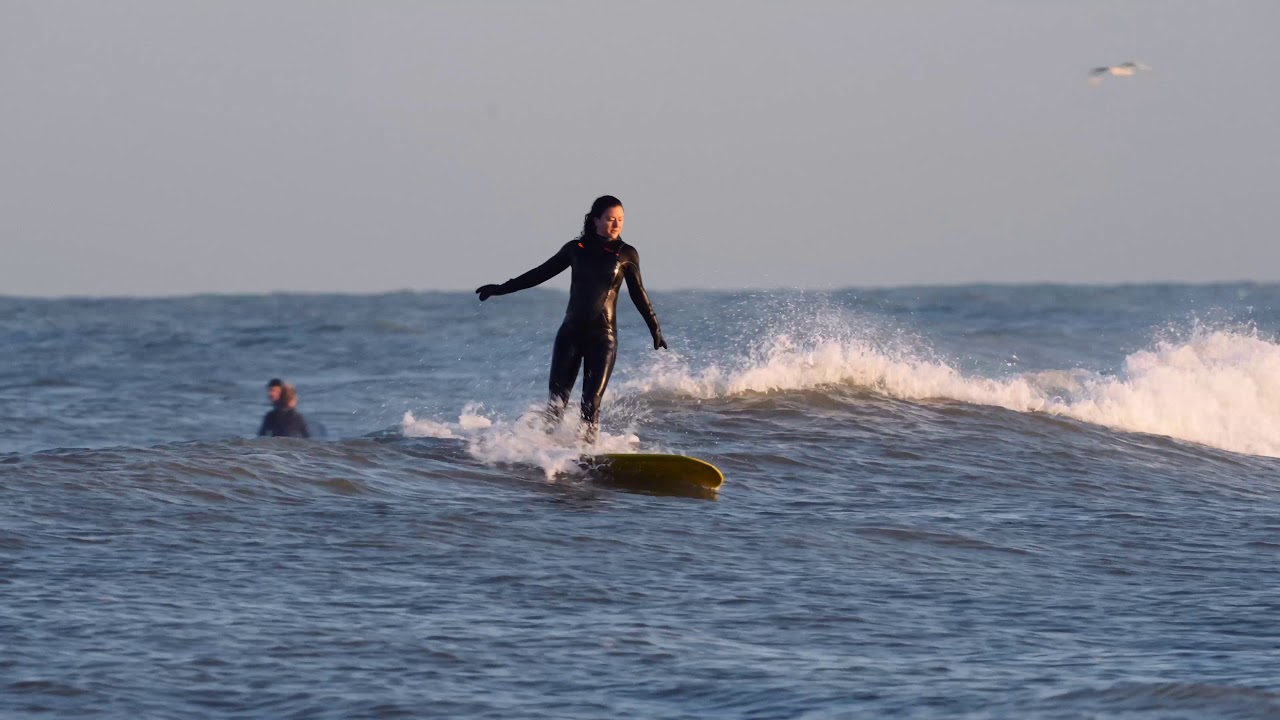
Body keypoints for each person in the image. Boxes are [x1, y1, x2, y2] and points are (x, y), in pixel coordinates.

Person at [476, 195, 666, 443]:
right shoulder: (576, 249)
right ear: (596, 220)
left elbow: (639, 294)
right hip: (571, 334)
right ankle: (546, 449)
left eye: (620, 219)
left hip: (603, 338)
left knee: (591, 402)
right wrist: (500, 288)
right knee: (557, 402)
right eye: (610, 219)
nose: (616, 224)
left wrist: (655, 328)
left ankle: (587, 453)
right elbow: (539, 274)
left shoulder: (626, 254)